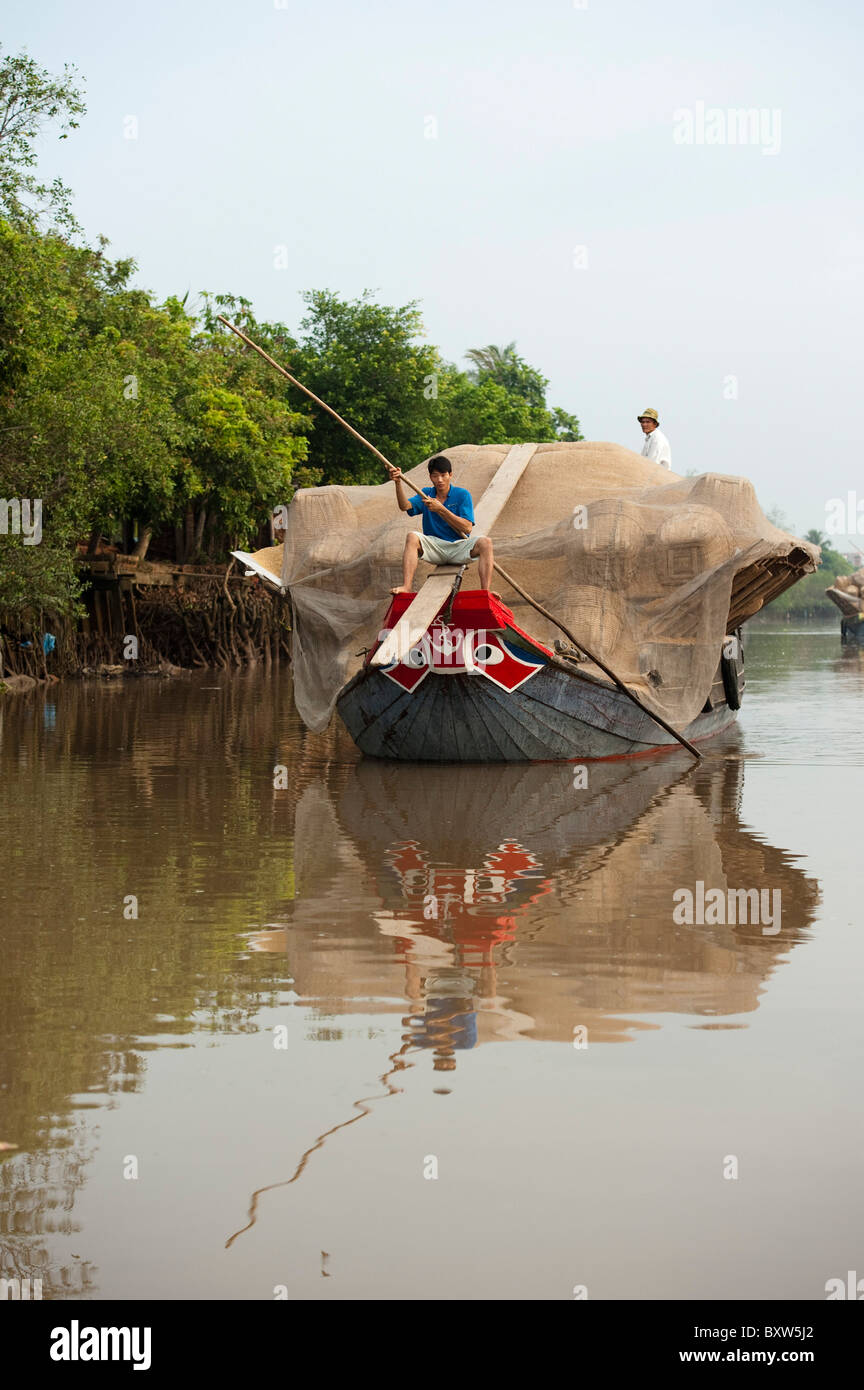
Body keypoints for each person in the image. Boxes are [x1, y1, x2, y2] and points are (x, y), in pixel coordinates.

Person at [385, 454, 494, 593]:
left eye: (443, 475)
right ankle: (407, 586)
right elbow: (405, 506)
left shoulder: (462, 494)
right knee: (412, 536)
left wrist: (441, 509)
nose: (440, 480)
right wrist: (398, 482)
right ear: (430, 477)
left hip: (458, 547)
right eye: (435, 476)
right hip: (435, 548)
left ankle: (485, 592)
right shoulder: (426, 494)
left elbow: (466, 527)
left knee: (486, 543)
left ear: (450, 475)